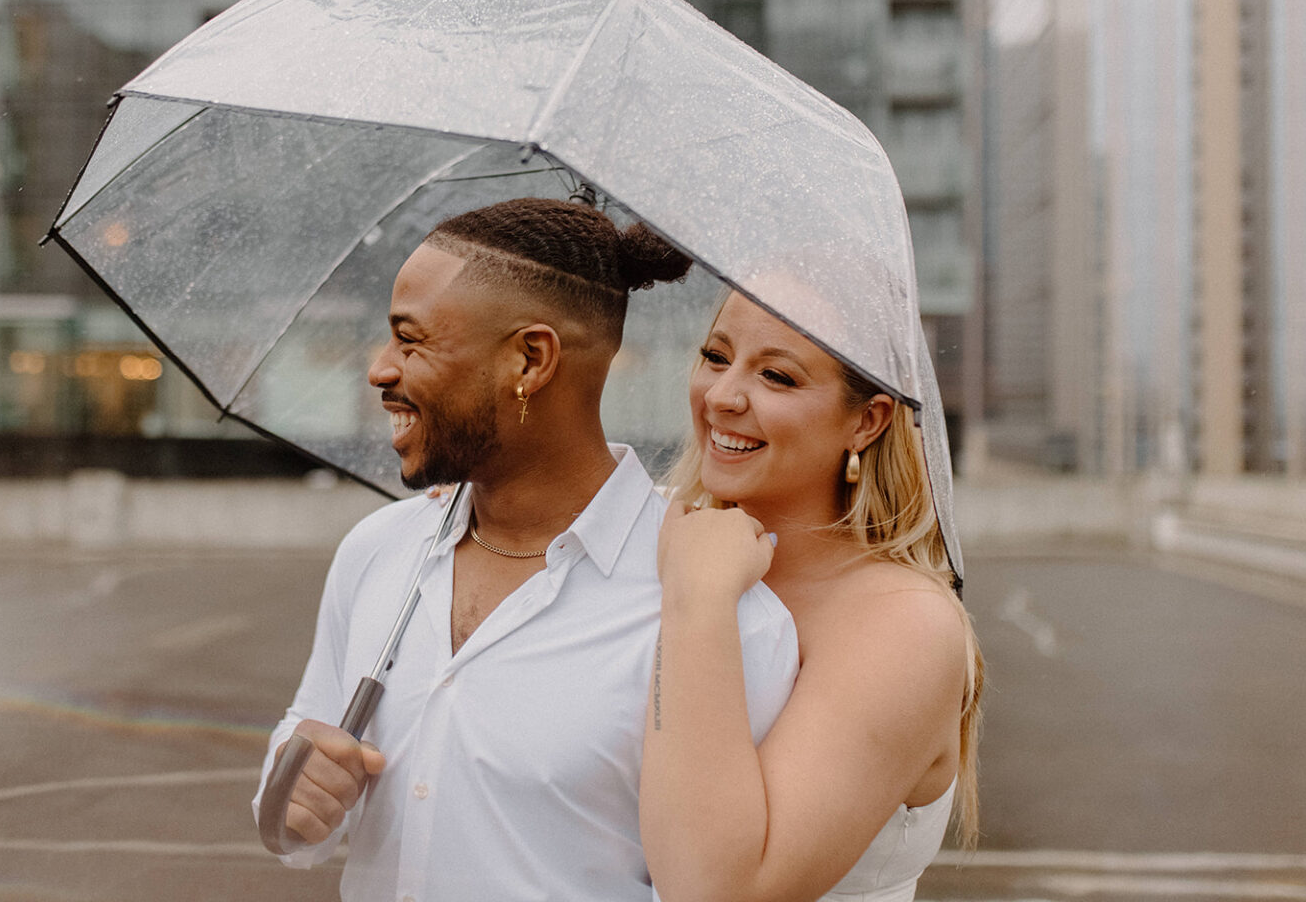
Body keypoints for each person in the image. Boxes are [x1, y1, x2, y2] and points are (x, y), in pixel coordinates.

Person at [252, 198, 799, 901]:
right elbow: (303, 762)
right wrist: (291, 808)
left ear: (530, 359)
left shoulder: (720, 614)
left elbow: (713, 886)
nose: (380, 371)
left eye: (411, 341)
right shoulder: (377, 550)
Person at [640, 290, 984, 902]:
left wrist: (699, 599)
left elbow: (724, 891)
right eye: (716, 357)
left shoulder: (905, 626)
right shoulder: (653, 535)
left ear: (867, 419)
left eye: (777, 375)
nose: (722, 396)